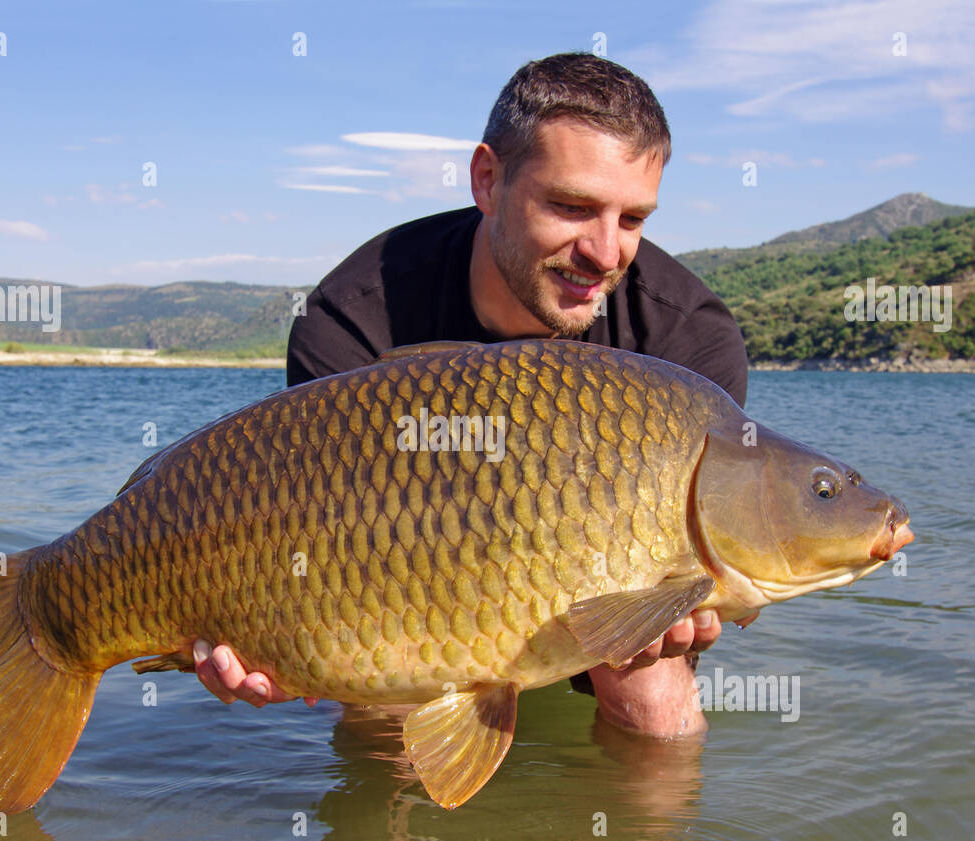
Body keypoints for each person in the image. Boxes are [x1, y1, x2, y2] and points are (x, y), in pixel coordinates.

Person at [193, 51, 750, 738]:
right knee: (381, 690)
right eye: (572, 207)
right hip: (410, 586)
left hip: (606, 598)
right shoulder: (352, 317)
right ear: (488, 180)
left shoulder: (688, 337)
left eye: (632, 218)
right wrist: (285, 640)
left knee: (657, 700)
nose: (606, 254)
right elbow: (321, 540)